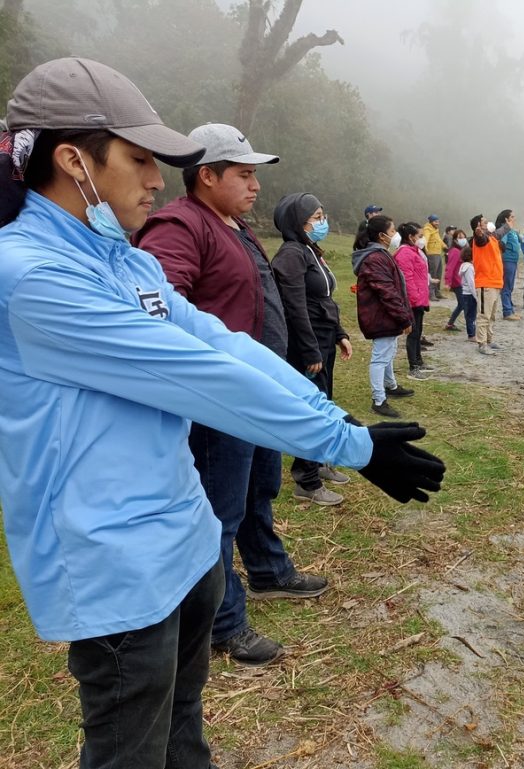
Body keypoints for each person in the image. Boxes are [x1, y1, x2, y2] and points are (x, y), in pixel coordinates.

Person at [0, 57, 444, 769]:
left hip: (187, 536)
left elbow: (224, 343)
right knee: (129, 750)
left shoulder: (125, 262)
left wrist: (345, 426)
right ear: (72, 160)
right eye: (141, 158)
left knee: (184, 726)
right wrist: (349, 446)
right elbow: (195, 374)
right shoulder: (32, 275)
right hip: (116, 565)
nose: (155, 178)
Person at [136, 122, 318, 667]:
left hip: (254, 397)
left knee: (258, 489)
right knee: (218, 512)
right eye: (243, 174)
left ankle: (267, 571)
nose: (255, 185)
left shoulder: (232, 225)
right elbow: (161, 309)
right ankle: (221, 622)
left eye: (255, 174)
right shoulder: (178, 227)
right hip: (219, 404)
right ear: (206, 175)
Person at [271, 192, 354, 505]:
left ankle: (317, 463)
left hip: (323, 339)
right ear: (297, 222)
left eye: (323, 216)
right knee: (310, 410)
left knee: (323, 404)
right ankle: (305, 480)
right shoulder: (291, 254)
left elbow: (325, 299)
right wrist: (310, 351)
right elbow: (294, 307)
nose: (323, 222)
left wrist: (340, 333)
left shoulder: (310, 251)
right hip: (308, 344)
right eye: (317, 217)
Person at [352, 215, 416, 418]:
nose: (395, 234)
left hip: (386, 315)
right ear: (381, 235)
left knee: (389, 351)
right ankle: (379, 399)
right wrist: (403, 318)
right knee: (380, 357)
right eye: (392, 231)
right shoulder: (375, 258)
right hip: (380, 316)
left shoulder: (381, 254)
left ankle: (390, 385)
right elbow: (387, 292)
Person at [394, 221, 432, 379]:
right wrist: (415, 299)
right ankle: (413, 366)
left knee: (418, 332)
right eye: (420, 236)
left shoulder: (414, 251)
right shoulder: (404, 253)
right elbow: (407, 280)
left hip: (420, 299)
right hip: (413, 300)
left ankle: (419, 361)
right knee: (413, 333)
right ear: (410, 236)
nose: (422, 239)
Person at [470, 213, 505, 355]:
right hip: (486, 282)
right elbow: (480, 238)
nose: (487, 223)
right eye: (484, 222)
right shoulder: (480, 238)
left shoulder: (491, 237)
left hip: (495, 281)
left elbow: (500, 237)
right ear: (478, 225)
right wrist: (478, 232)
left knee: (492, 315)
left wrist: (507, 226)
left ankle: (489, 340)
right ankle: (482, 343)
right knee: (484, 314)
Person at [496, 208, 522, 320]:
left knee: (510, 286)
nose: (514, 218)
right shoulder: (505, 230)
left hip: (513, 260)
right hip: (507, 260)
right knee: (506, 286)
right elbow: (501, 243)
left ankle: (510, 309)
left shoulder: (511, 230)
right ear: (506, 219)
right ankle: (507, 312)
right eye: (512, 217)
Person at [444, 228, 468, 331]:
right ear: (455, 240)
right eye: (460, 237)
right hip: (457, 282)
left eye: (463, 237)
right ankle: (470, 327)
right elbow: (450, 267)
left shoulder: (462, 250)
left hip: (462, 281)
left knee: (462, 304)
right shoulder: (455, 251)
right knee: (463, 304)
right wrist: (447, 282)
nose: (462, 239)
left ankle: (450, 323)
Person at [458, 246, 478, 342]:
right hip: (470, 294)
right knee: (471, 315)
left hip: (465, 293)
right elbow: (471, 283)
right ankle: (471, 335)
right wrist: (476, 296)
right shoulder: (469, 268)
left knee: (469, 315)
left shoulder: (463, 266)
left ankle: (471, 333)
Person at [423, 214, 445, 301]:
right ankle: (431, 294)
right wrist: (425, 248)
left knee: (439, 273)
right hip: (432, 254)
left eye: (438, 221)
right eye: (435, 221)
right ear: (431, 222)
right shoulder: (427, 229)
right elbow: (426, 239)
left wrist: (444, 245)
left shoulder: (435, 230)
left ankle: (437, 292)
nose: (437, 223)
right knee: (433, 273)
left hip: (438, 253)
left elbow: (439, 240)